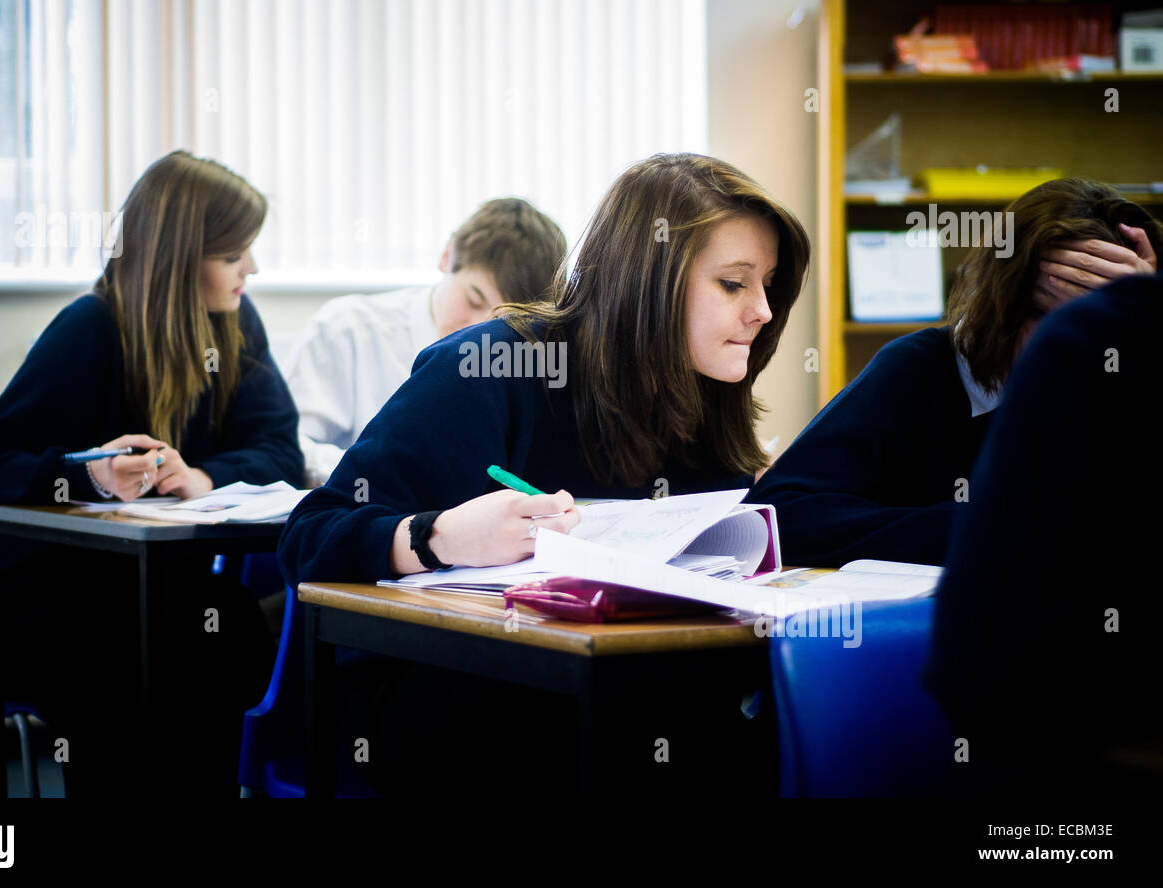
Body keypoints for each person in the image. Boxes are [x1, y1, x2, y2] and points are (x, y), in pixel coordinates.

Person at [279, 153, 811, 793]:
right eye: (734, 284)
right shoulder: (491, 364)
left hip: (618, 689)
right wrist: (439, 536)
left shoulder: (701, 399)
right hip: (454, 689)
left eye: (768, 285)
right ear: (650, 279)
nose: (763, 311)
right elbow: (309, 537)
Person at [0, 150, 302, 795]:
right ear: (179, 261)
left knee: (230, 627)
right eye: (233, 255)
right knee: (130, 656)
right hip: (61, 599)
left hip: (163, 591)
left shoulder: (237, 325)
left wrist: (204, 477)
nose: (252, 268)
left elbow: (280, 449)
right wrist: (91, 476)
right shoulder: (90, 328)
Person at [746, 178, 1159, 568]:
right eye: (1039, 314)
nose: (1063, 346)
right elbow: (780, 517)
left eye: (1089, 323)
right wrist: (990, 526)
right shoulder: (920, 368)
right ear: (1000, 305)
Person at [925, 269, 1163, 795]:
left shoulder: (1116, 335)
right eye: (1039, 309)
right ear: (999, 315)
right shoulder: (928, 361)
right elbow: (789, 507)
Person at [284, 197, 567, 486]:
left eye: (502, 322)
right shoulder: (347, 330)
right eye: (473, 299)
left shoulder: (521, 362)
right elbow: (291, 446)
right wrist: (377, 475)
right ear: (447, 256)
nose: (481, 328)